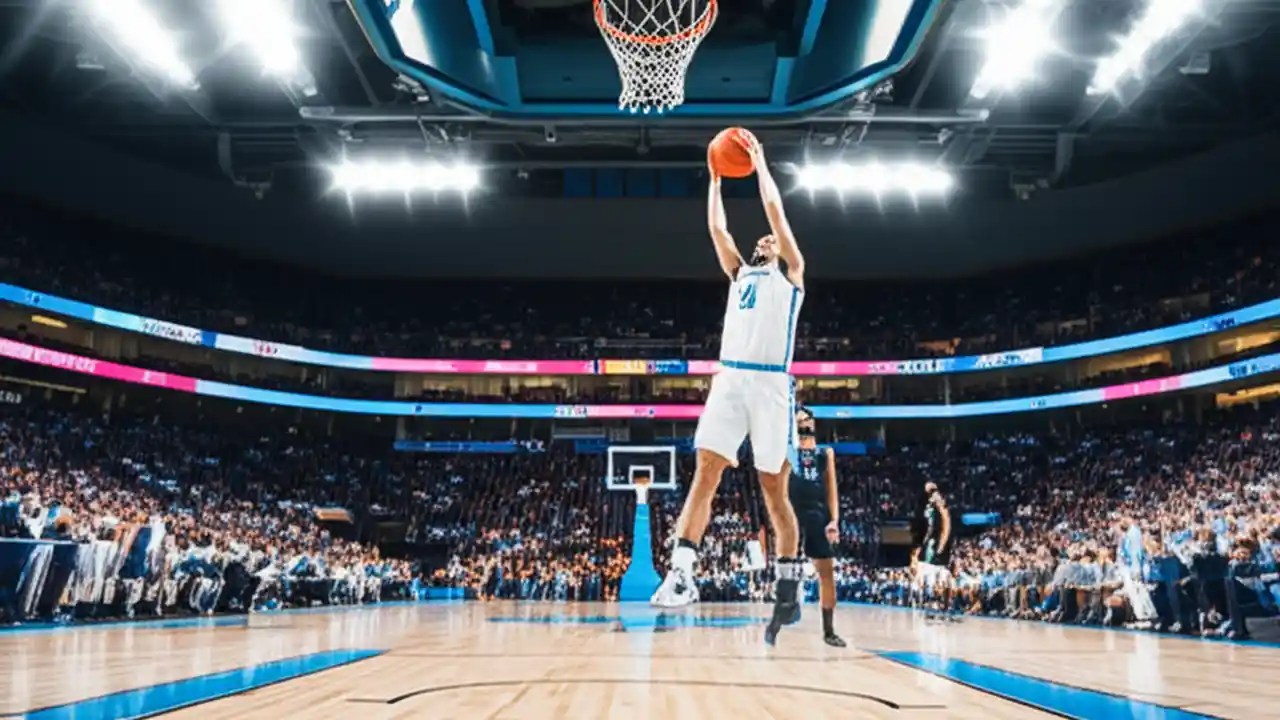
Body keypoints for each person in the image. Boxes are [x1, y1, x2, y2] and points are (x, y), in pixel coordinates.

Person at [650, 131, 806, 645]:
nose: (765, 239)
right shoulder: (739, 273)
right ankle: (680, 575)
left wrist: (760, 165)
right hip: (730, 378)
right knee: (705, 475)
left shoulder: (793, 275)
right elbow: (717, 229)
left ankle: (788, 583)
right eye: (761, 238)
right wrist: (715, 179)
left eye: (770, 238)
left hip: (770, 387)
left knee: (773, 494)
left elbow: (775, 210)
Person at [789, 406, 846, 647]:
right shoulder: (787, 452)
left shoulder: (825, 452)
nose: (805, 423)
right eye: (800, 420)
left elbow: (832, 489)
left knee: (826, 572)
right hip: (791, 511)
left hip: (818, 513)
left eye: (808, 419)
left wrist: (834, 520)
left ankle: (829, 630)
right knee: (787, 565)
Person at [912, 482, 956, 621]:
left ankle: (939, 604)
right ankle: (929, 602)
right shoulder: (927, 506)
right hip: (928, 542)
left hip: (935, 543)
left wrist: (942, 543)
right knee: (926, 575)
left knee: (936, 575)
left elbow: (946, 522)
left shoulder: (940, 504)